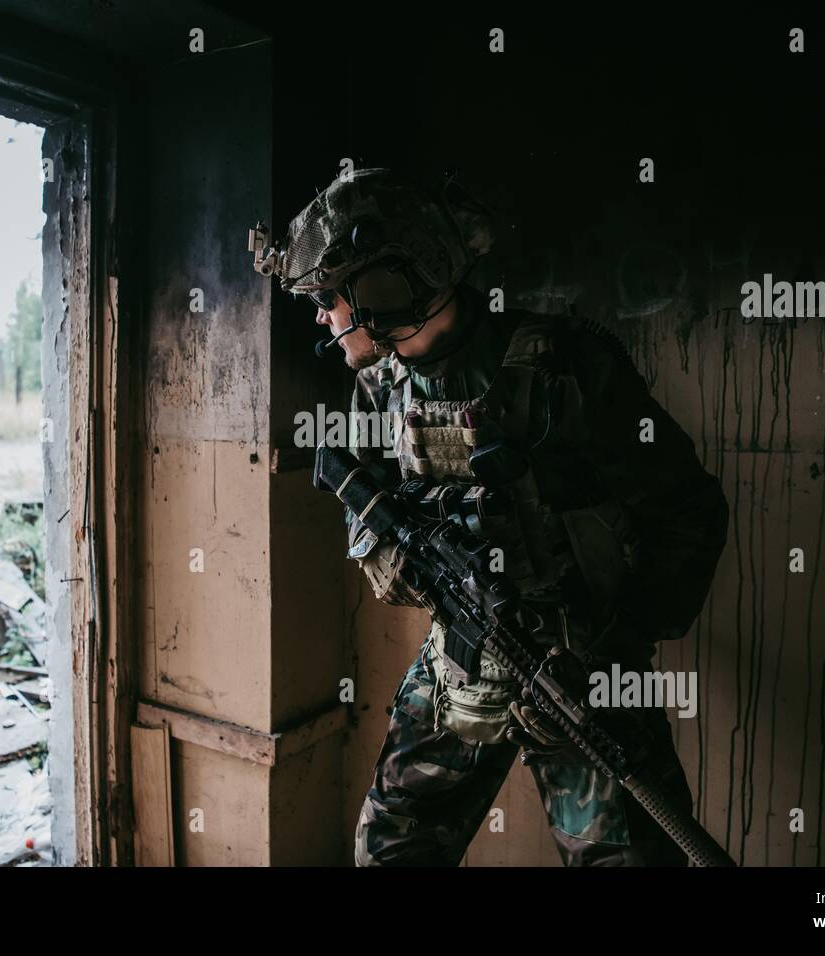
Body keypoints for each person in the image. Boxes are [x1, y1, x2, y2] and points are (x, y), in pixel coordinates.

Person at [251, 167, 729, 866]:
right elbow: (363, 504)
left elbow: (690, 514)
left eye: (329, 295)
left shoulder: (567, 368)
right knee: (388, 851)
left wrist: (610, 643)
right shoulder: (377, 388)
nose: (322, 316)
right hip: (460, 657)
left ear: (387, 286)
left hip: (579, 673)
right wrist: (399, 560)